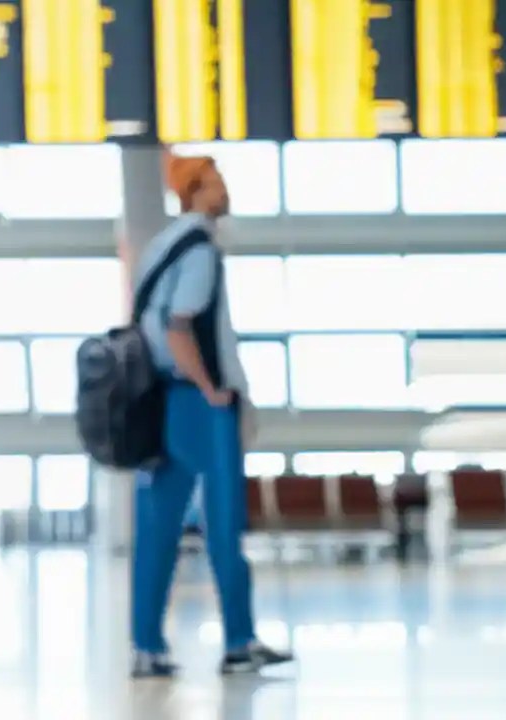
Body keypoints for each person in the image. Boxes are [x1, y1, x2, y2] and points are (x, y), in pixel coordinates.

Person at [128, 152, 292, 678]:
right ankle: (240, 641)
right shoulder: (201, 248)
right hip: (199, 402)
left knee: (157, 528)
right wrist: (210, 388)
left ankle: (147, 648)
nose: (225, 191)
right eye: (218, 182)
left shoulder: (160, 246)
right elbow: (179, 324)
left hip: (160, 402)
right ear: (196, 191)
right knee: (225, 523)